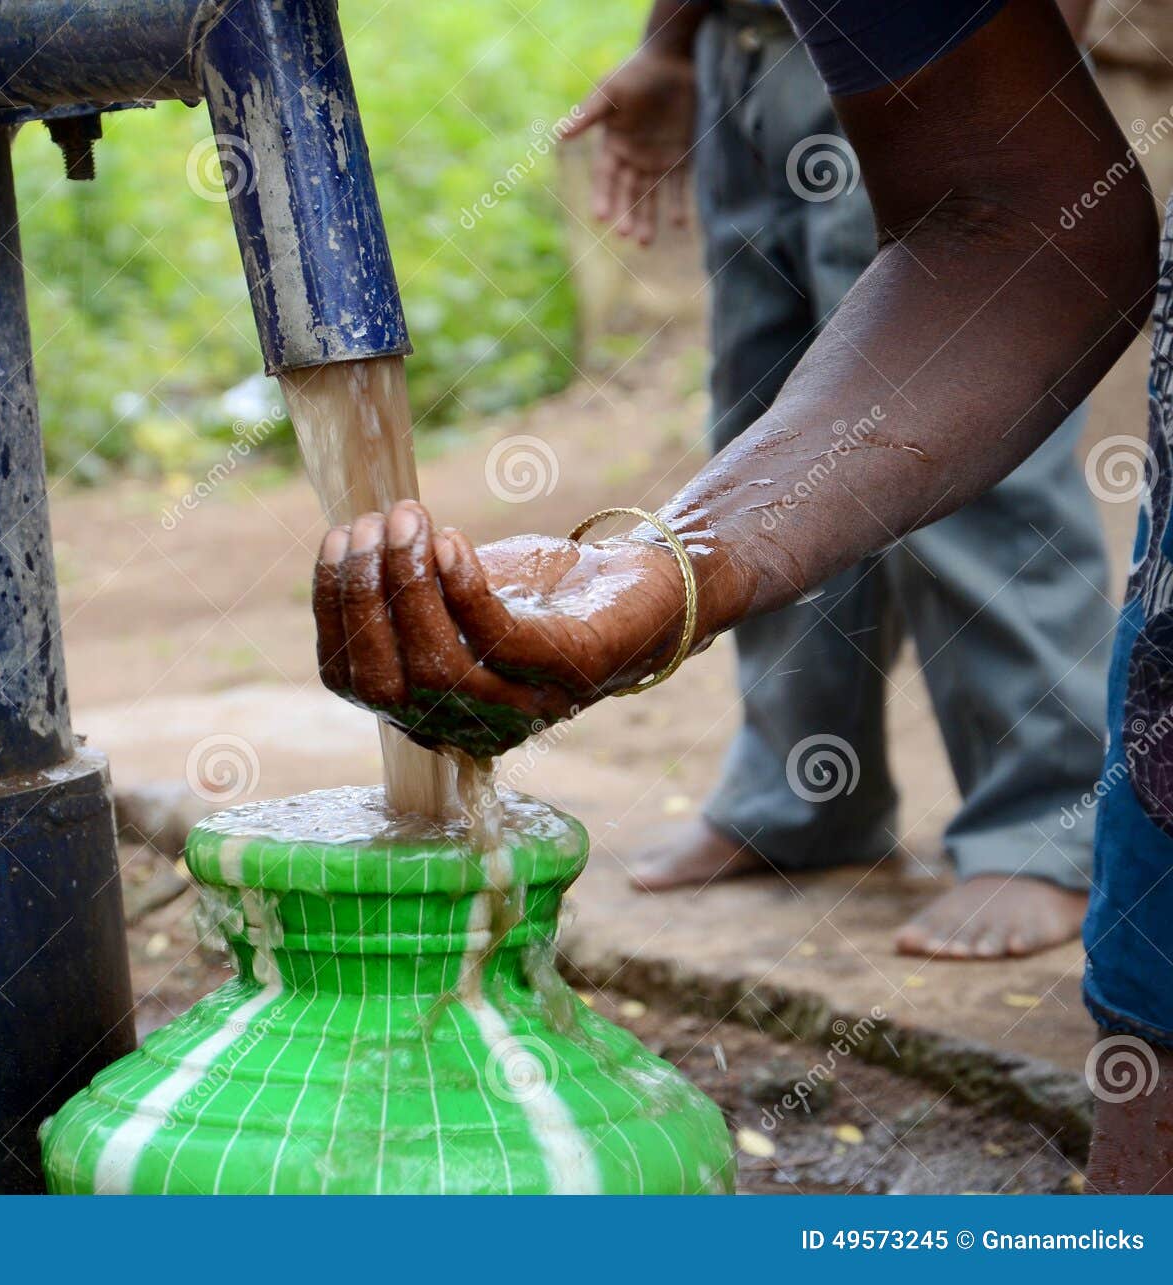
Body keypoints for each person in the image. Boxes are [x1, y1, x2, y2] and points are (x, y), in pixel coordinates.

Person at [310, 0, 1172, 1191]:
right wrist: (668, 569)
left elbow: (1017, 217)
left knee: (974, 486)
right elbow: (1004, 233)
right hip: (776, 49)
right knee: (770, 402)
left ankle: (1032, 818)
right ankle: (802, 788)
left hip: (917, 72)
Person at [555, 0, 1114, 963]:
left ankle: (1044, 824)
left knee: (957, 420)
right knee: (765, 431)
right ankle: (805, 793)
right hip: (749, 50)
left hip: (934, 56)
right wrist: (670, 44)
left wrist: (1023, 55)